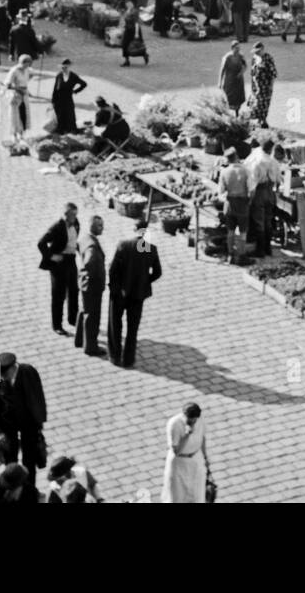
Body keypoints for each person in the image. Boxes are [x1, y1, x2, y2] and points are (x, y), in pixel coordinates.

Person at [108, 215, 163, 369]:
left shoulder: (123, 245)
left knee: (115, 324)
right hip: (138, 294)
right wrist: (145, 281)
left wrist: (115, 288)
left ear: (134, 229)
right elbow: (158, 272)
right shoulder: (151, 249)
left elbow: (113, 271)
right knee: (132, 328)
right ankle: (128, 359)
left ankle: (114, 355)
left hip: (120, 293)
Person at [0, 353, 48, 484]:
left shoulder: (28, 372)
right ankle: (13, 484)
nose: (3, 378)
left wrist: (39, 422)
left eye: (5, 375)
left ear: (13, 368)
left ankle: (29, 487)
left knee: (30, 458)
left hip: (28, 422)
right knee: (10, 456)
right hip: (8, 423)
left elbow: (37, 397)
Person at [38, 202, 81, 335]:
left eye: (75, 214)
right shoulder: (57, 227)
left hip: (71, 260)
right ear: (65, 215)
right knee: (58, 295)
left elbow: (74, 240)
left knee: (74, 290)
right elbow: (41, 243)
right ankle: (57, 325)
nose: (74, 217)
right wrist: (51, 256)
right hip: (59, 263)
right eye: (72, 214)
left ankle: (73, 319)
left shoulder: (76, 223)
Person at [162, 403, 210, 504]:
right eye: (190, 418)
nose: (192, 421)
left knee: (197, 495)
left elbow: (202, 438)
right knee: (177, 497)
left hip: (196, 460)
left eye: (194, 419)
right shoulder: (174, 424)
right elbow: (176, 451)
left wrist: (205, 458)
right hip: (180, 463)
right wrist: (186, 435)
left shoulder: (200, 420)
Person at [75, 215, 107, 356]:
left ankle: (79, 339)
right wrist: (96, 278)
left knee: (84, 311)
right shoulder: (92, 248)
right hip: (92, 285)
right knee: (92, 316)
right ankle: (91, 346)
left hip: (84, 283)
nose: (102, 228)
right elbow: (90, 264)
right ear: (93, 226)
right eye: (100, 225)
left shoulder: (84, 238)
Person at [246, 138, 281, 257]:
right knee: (268, 220)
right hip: (270, 192)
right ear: (271, 149)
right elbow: (278, 180)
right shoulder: (274, 162)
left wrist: (250, 198)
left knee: (259, 221)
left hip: (260, 192)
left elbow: (253, 182)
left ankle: (260, 250)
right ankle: (268, 248)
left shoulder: (258, 162)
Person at [219, 147, 252, 257]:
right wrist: (249, 201)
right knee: (243, 231)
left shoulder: (224, 172)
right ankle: (242, 254)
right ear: (237, 156)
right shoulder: (246, 170)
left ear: (227, 159)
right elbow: (251, 189)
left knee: (230, 230)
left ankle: (230, 253)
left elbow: (221, 191)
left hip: (230, 203)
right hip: (242, 203)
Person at [50, 60, 87, 137]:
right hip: (58, 100)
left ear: (69, 67)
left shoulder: (73, 76)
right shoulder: (59, 75)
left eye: (65, 67)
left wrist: (75, 91)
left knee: (70, 115)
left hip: (68, 99)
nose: (64, 69)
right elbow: (55, 89)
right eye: (62, 67)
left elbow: (84, 84)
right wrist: (53, 100)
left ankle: (71, 131)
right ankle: (61, 131)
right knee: (60, 116)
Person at [2, 55, 33, 144]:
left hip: (24, 95)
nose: (28, 66)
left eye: (29, 64)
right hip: (15, 95)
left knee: (24, 114)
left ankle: (21, 134)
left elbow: (26, 81)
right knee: (15, 116)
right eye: (26, 64)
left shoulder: (27, 70)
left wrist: (27, 91)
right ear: (22, 63)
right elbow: (7, 84)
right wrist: (18, 89)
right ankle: (14, 135)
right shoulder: (14, 71)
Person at [248, 42, 277, 129]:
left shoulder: (268, 58)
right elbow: (252, 73)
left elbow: (273, 73)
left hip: (265, 86)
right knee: (255, 103)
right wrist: (252, 85)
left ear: (262, 49)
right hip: (256, 85)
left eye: (258, 51)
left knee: (264, 104)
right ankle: (258, 119)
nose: (256, 53)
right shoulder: (254, 58)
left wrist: (271, 86)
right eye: (255, 52)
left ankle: (263, 120)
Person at [218, 40, 247, 112]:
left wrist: (241, 72)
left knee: (238, 97)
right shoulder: (227, 57)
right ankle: (226, 112)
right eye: (236, 48)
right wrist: (219, 82)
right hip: (230, 80)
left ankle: (237, 113)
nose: (238, 50)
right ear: (232, 48)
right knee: (229, 96)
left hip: (238, 80)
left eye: (239, 48)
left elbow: (245, 65)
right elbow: (222, 70)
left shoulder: (241, 56)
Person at [120, 0, 149, 67]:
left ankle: (144, 54)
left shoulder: (135, 11)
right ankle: (126, 60)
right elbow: (125, 19)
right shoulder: (127, 11)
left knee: (137, 45)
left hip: (134, 30)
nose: (128, 5)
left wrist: (136, 33)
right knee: (124, 45)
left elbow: (136, 23)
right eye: (127, 3)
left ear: (133, 4)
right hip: (128, 30)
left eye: (129, 3)